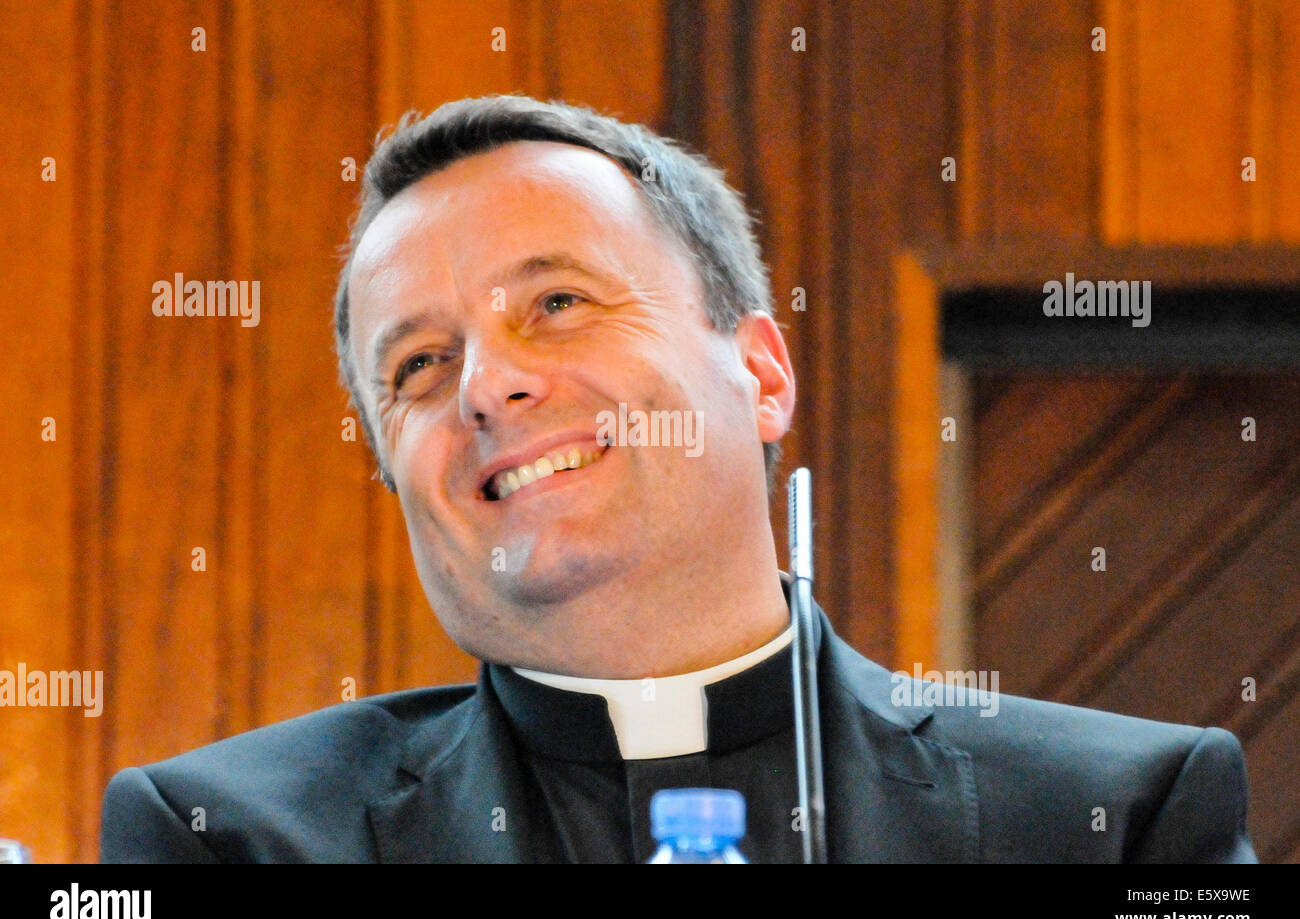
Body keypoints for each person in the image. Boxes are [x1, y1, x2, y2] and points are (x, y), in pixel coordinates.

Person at [100, 95, 1256, 863]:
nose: (486, 387)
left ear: (759, 373)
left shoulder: (1118, 819)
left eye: (555, 304)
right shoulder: (226, 839)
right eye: (418, 363)